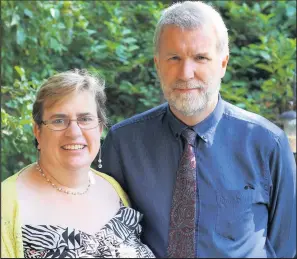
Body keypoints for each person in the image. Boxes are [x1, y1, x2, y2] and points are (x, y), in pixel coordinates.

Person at [100, 1, 296, 258]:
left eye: (200, 58)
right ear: (158, 64)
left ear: (223, 63)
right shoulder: (123, 144)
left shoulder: (268, 143)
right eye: (174, 58)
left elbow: (288, 245)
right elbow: (101, 233)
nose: (186, 73)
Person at [1, 69, 155, 258]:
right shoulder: (7, 204)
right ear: (37, 131)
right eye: (59, 120)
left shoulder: (114, 189)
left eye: (85, 119)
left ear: (99, 128)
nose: (74, 132)